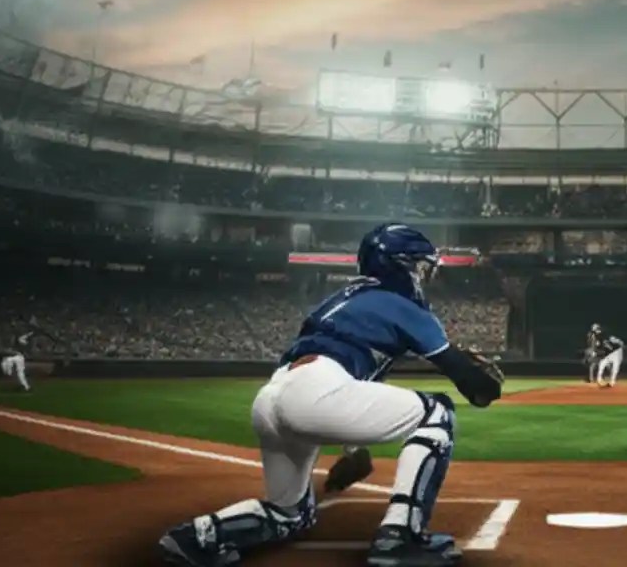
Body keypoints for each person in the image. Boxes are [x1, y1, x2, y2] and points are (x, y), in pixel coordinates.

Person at [157, 224, 504, 567]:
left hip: (272, 396)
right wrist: (484, 380)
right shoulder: (403, 306)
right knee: (437, 412)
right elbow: (475, 389)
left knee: (289, 514)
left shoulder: (338, 301)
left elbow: (352, 383)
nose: (424, 277)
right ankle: (402, 536)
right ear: (401, 266)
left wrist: (354, 450)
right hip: (316, 390)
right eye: (420, 267)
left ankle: (197, 536)